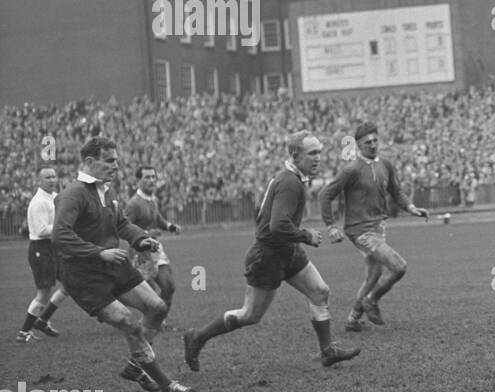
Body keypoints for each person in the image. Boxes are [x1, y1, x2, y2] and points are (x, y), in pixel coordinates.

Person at [183, 132, 361, 372]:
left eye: (319, 152)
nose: (318, 158)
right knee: (250, 315)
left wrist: (296, 239)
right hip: (268, 257)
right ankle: (197, 337)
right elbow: (277, 225)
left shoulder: (292, 178)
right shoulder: (289, 182)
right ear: (295, 155)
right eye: (312, 153)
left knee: (320, 292)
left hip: (288, 251)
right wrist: (306, 235)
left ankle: (327, 351)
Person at [52, 137, 192, 392]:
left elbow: (122, 223)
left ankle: (135, 364)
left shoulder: (107, 190)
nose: (116, 165)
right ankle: (168, 387)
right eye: (110, 161)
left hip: (114, 265)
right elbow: (60, 235)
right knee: (129, 323)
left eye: (116, 160)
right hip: (85, 277)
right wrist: (98, 252)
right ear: (90, 162)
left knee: (158, 308)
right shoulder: (72, 194)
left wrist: (140, 239)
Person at [319, 121, 428, 332]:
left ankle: (352, 319)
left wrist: (411, 208)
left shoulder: (385, 164)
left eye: (375, 140)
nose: (373, 144)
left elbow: (396, 191)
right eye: (367, 142)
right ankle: (372, 300)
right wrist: (330, 226)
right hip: (360, 231)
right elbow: (325, 194)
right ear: (358, 144)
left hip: (378, 228)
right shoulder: (351, 169)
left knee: (373, 276)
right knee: (399, 266)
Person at [16, 164, 67, 341]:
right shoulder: (38, 202)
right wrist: (63, 227)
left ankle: (43, 320)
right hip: (41, 249)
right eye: (48, 177)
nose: (52, 180)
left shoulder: (54, 197)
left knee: (69, 283)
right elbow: (41, 229)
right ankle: (24, 332)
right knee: (44, 293)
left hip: (53, 248)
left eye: (54, 176)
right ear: (39, 180)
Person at [123, 165, 181, 314]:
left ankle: (159, 320)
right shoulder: (133, 204)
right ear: (138, 181)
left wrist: (170, 226)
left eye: (153, 177)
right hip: (140, 253)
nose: (151, 180)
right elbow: (124, 228)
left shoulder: (153, 199)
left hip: (155, 249)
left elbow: (158, 219)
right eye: (147, 177)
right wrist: (147, 233)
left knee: (169, 286)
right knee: (150, 293)